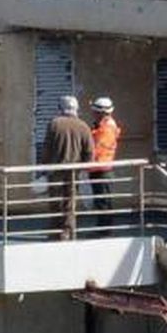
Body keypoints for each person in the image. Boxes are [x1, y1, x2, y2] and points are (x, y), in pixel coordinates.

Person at [42, 95, 94, 240]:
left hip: (55, 171)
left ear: (61, 108)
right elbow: (89, 151)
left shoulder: (54, 124)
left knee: (55, 202)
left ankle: (54, 232)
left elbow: (47, 148)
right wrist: (84, 167)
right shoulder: (83, 126)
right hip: (74, 172)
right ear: (76, 108)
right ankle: (69, 232)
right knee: (70, 203)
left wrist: (44, 167)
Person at [88, 96, 120, 229]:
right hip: (100, 169)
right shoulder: (103, 126)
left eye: (95, 111)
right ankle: (104, 228)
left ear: (101, 113)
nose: (93, 114)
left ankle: (104, 230)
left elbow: (97, 148)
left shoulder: (106, 129)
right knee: (102, 200)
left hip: (101, 169)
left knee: (103, 201)